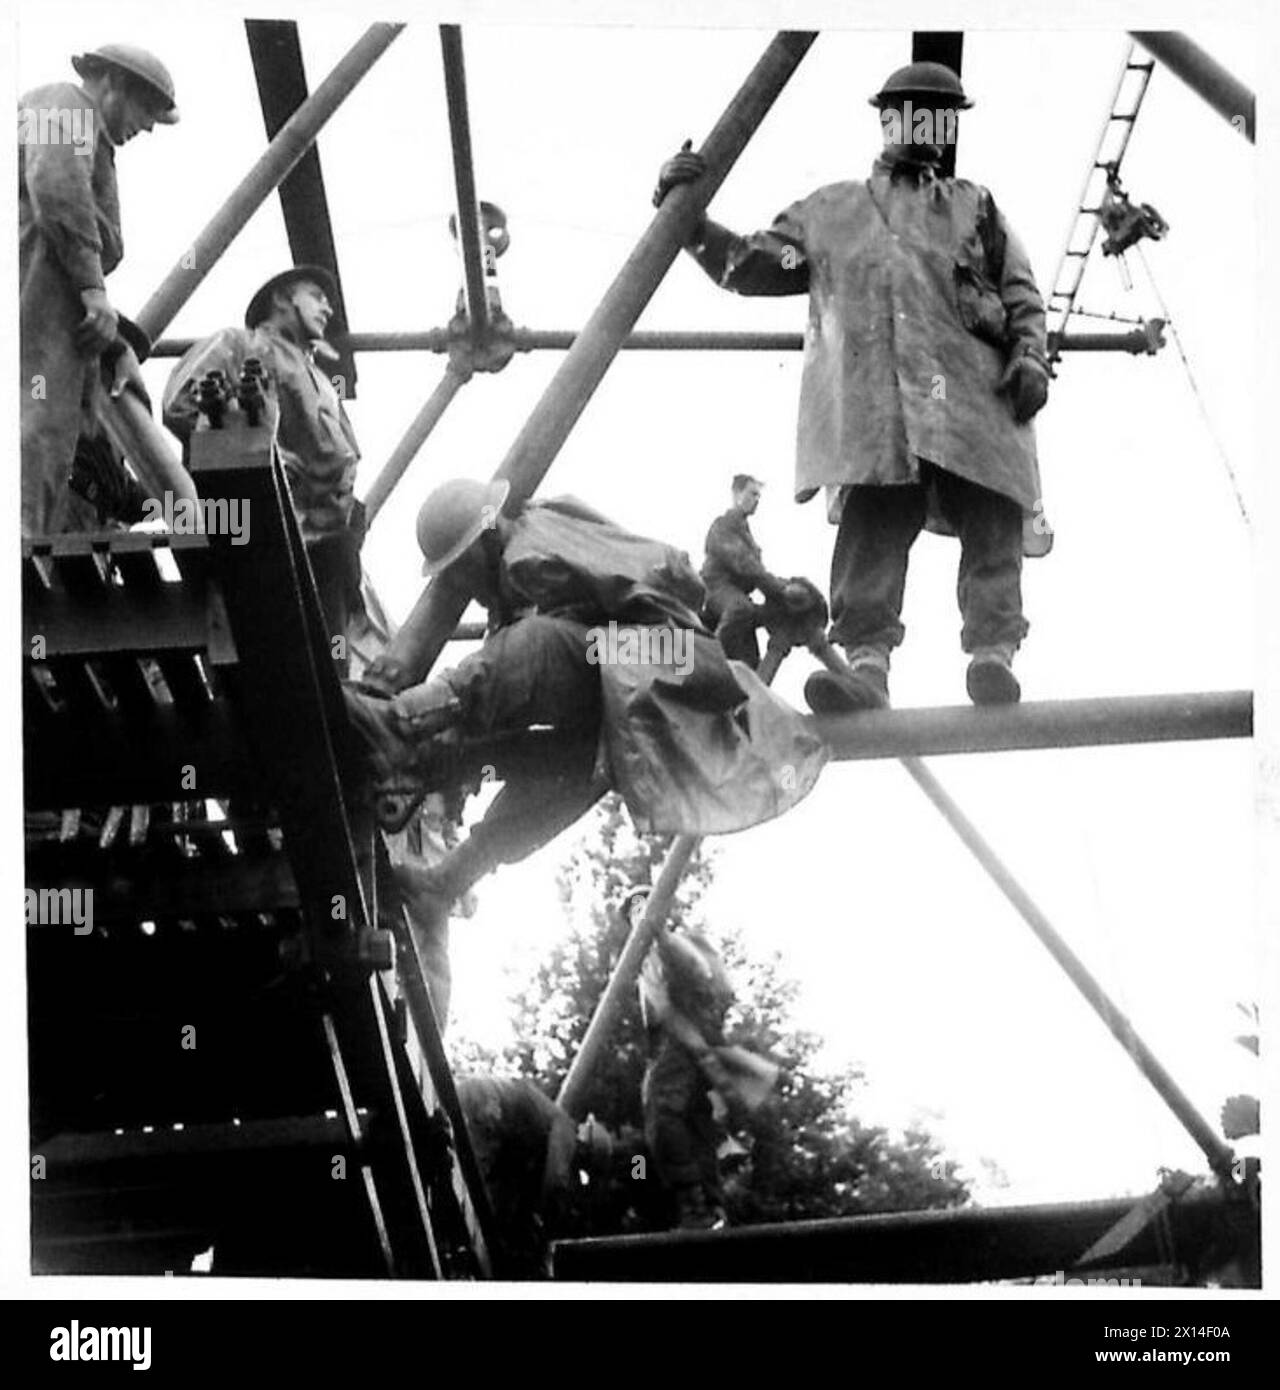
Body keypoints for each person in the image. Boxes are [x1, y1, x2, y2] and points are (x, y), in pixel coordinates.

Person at [654, 61, 1052, 709]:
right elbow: (751, 264)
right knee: (871, 528)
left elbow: (1021, 293)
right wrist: (688, 222)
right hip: (878, 410)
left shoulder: (977, 208)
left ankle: (992, 654)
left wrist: (1030, 356)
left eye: (939, 114)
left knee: (992, 522)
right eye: (913, 111)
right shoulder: (832, 212)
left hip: (975, 404)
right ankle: (866, 665)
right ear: (888, 120)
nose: (927, 125)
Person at [342, 478, 827, 910]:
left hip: (659, 655)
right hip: (630, 675)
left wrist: (421, 718)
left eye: (460, 568)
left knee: (536, 649)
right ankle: (448, 878)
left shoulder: (526, 554)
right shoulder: (528, 562)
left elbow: (535, 658)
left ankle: (397, 725)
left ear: (482, 542)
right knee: (567, 770)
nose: (462, 583)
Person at [162, 265, 364, 662]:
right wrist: (263, 457)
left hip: (321, 547)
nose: (327, 309)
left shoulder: (324, 383)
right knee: (249, 657)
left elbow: (346, 461)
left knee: (327, 674)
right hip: (249, 526)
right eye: (316, 297)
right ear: (281, 299)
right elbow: (180, 403)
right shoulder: (238, 345)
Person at [20, 44, 179, 536]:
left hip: (50, 308)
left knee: (51, 434)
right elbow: (56, 182)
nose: (149, 126)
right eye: (147, 109)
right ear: (113, 82)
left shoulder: (87, 133)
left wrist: (113, 341)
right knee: (34, 426)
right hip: (34, 303)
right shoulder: (64, 104)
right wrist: (92, 290)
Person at [633, 889, 777, 1230]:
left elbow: (693, 991)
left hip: (682, 1040)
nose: (638, 915)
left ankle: (696, 1206)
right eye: (633, 910)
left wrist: (661, 936)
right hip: (688, 1041)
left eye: (644, 905)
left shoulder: (670, 946)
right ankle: (711, 1208)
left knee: (662, 1113)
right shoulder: (661, 952)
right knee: (695, 1123)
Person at [701, 474, 810, 670]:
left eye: (759, 496)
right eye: (752, 494)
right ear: (736, 493)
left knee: (749, 662)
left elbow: (756, 571)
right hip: (716, 589)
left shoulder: (746, 534)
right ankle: (707, 663)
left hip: (737, 594)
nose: (756, 500)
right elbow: (744, 564)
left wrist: (781, 594)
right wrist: (779, 588)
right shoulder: (723, 526)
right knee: (740, 609)